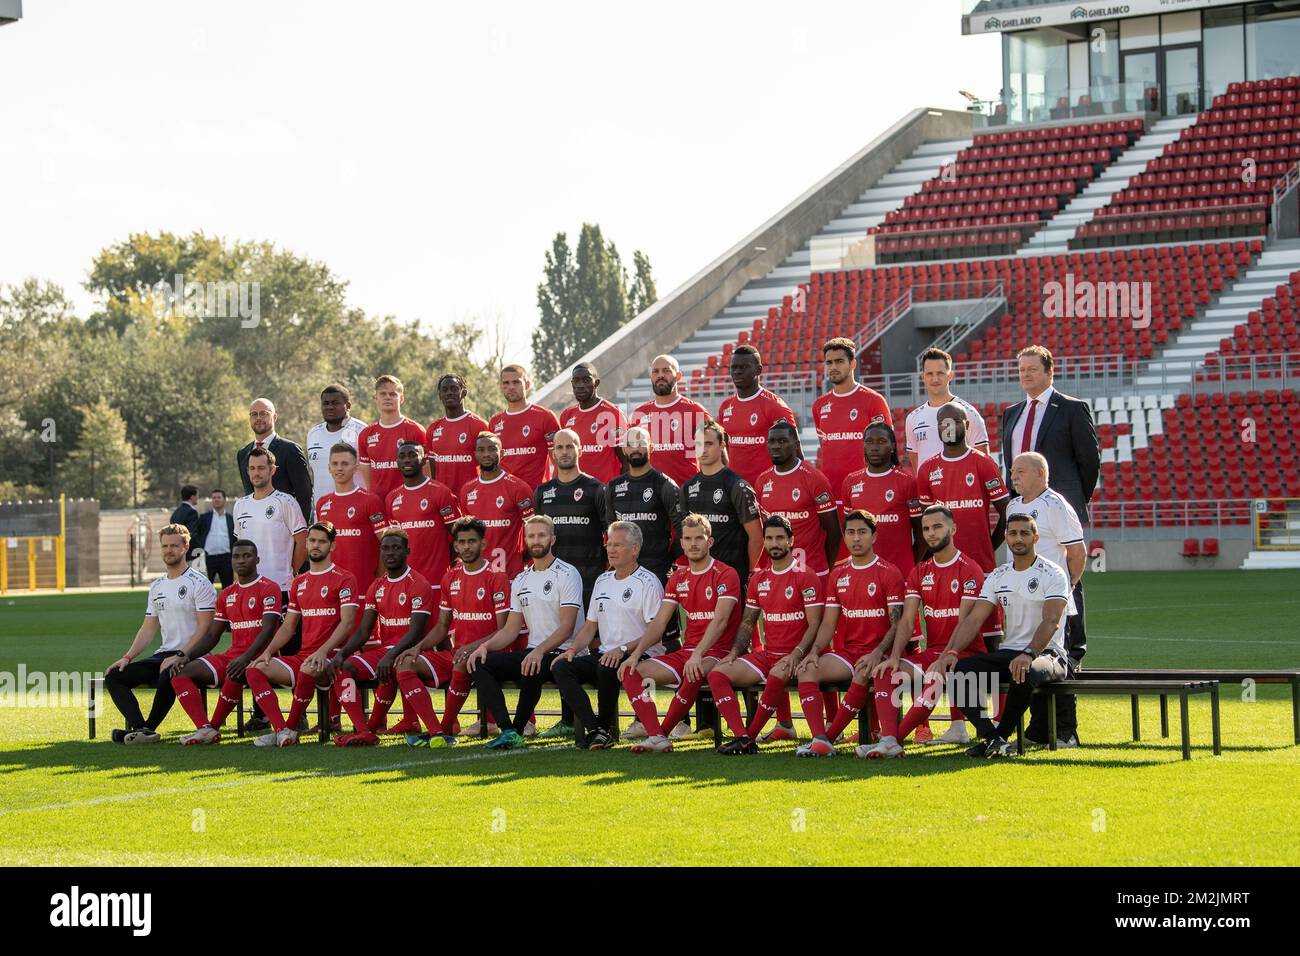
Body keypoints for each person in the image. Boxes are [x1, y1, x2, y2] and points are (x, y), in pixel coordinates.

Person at [937, 513, 1073, 759]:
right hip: (1011, 652)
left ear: (1036, 537)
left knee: (1024, 669)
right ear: (1006, 537)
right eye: (1013, 533)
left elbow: (1051, 621)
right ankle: (994, 739)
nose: (1018, 538)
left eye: (1024, 533)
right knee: (959, 671)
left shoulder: (1053, 573)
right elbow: (975, 619)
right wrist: (952, 653)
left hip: (1049, 654)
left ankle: (998, 737)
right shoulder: (999, 576)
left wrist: (1030, 653)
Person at [854, 506, 987, 757]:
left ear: (953, 529)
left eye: (938, 527)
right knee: (884, 670)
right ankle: (890, 740)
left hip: (964, 654)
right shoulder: (920, 571)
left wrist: (946, 655)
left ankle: (892, 741)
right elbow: (906, 620)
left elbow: (966, 622)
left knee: (936, 677)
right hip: (934, 653)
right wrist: (893, 656)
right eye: (926, 529)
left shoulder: (970, 569)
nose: (931, 534)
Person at [617, 513, 742, 753]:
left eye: (699, 538)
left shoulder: (726, 574)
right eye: (688, 539)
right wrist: (636, 653)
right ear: (682, 543)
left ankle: (660, 734)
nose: (693, 544)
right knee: (631, 672)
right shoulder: (678, 578)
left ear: (710, 542)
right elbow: (659, 623)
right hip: (688, 653)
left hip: (717, 653)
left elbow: (721, 620)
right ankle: (656, 735)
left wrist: (698, 654)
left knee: (695, 671)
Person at [706, 515, 824, 755]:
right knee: (718, 673)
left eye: (780, 537)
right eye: (769, 538)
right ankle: (741, 735)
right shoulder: (759, 578)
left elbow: (815, 624)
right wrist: (734, 653)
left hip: (797, 656)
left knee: (777, 673)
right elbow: (748, 622)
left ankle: (748, 739)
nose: (774, 543)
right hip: (768, 655)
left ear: (791, 540)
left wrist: (796, 654)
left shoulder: (805, 574)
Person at [790, 510, 905, 757]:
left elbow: (898, 624)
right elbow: (828, 624)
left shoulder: (889, 572)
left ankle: (828, 740)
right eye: (851, 533)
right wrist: (814, 652)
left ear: (874, 536)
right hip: (849, 653)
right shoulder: (838, 574)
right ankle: (820, 738)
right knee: (807, 669)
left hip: (881, 653)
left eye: (862, 532)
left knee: (867, 670)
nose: (856, 538)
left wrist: (877, 653)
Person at [466, 515, 585, 750]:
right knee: (480, 663)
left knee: (532, 665)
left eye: (541, 535)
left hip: (565, 655)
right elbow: (511, 629)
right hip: (536, 652)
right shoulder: (521, 579)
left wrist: (539, 651)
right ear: (525, 540)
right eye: (531, 536)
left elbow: (567, 627)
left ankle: (518, 729)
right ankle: (507, 729)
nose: (536, 540)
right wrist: (484, 647)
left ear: (552, 538)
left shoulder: (567, 573)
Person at [387, 517, 512, 740]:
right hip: (457, 654)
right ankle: (435, 730)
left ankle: (444, 729)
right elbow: (442, 626)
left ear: (483, 544)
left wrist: (474, 647)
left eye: (472, 541)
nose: (466, 547)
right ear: (455, 546)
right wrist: (418, 647)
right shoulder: (450, 577)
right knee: (405, 662)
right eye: (461, 542)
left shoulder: (497, 578)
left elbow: (503, 630)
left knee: (463, 660)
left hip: (489, 654)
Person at [243, 521, 360, 747]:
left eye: (322, 542)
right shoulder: (299, 582)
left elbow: (347, 623)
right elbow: (288, 627)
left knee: (308, 666)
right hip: (304, 656)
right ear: (306, 543)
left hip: (332, 655)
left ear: (332, 546)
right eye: (312, 541)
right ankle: (282, 730)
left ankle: (290, 728)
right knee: (255, 670)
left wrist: (323, 651)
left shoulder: (345, 578)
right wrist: (266, 652)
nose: (316, 546)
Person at [552, 522, 664, 750]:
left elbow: (655, 633)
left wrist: (622, 649)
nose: (611, 549)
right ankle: (596, 729)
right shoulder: (603, 580)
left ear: (635, 549)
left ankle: (606, 727)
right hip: (607, 653)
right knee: (562, 667)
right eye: (609, 544)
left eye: (618, 545)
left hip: (640, 654)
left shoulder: (648, 582)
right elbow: (590, 627)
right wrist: (572, 650)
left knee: (606, 666)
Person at [103, 524, 216, 744]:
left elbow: (206, 629)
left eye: (174, 545)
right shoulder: (157, 586)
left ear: (185, 547)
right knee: (114, 676)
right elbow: (147, 628)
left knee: (169, 673)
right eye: (165, 546)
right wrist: (127, 657)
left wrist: (181, 655)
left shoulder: (200, 583)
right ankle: (141, 729)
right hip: (164, 654)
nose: (169, 550)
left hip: (193, 655)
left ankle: (147, 730)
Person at [328, 528, 438, 747]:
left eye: (396, 548)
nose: (390, 553)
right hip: (385, 651)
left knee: (392, 666)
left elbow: (416, 632)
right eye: (385, 548)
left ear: (407, 551)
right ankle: (364, 730)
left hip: (411, 651)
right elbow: (363, 631)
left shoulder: (419, 583)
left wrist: (391, 655)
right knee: (342, 667)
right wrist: (342, 653)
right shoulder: (377, 585)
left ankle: (425, 728)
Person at [1007, 451, 1087, 749]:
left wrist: (1066, 589)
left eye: (1021, 471)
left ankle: (1066, 732)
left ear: (1041, 474)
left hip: (1051, 603)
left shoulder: (1056, 505)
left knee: (1058, 664)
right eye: (1013, 471)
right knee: (1032, 664)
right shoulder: (1014, 506)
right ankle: (1039, 731)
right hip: (1021, 602)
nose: (1014, 476)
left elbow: (1077, 552)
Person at [168, 539, 284, 744]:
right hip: (233, 656)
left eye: (246, 556)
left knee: (236, 672)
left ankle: (216, 727)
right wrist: (186, 656)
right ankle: (205, 729)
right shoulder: (227, 594)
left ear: (257, 559)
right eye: (236, 556)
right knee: (180, 673)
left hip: (260, 657)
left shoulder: (269, 588)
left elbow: (269, 630)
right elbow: (213, 635)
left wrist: (246, 657)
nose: (241, 561)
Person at [1000, 344, 1100, 524]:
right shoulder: (1011, 413)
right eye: (1022, 370)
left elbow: (1090, 461)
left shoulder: (1073, 409)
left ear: (1050, 372)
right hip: (1020, 508)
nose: (1025, 374)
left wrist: (1075, 498)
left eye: (1032, 369)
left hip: (1060, 508)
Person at [915, 403, 1009, 574]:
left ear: (966, 425)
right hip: (943, 567)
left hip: (981, 566)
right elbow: (925, 524)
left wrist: (988, 545)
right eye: (943, 422)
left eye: (955, 421)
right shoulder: (927, 469)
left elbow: (1007, 512)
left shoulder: (984, 463)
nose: (948, 426)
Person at [680, 420, 763, 598]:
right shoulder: (688, 487)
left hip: (733, 576)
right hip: (701, 576)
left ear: (722, 445)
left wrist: (744, 572)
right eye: (699, 445)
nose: (703, 450)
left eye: (708, 444)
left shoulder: (736, 485)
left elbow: (757, 537)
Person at [754, 421, 840, 578]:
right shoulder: (763, 481)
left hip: (813, 571)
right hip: (777, 573)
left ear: (796, 444)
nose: (776, 446)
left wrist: (824, 568)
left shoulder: (814, 479)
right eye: (772, 441)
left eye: (782, 441)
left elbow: (834, 533)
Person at [840, 423, 924, 580]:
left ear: (892, 446)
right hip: (863, 573)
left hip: (901, 573)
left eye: (881, 441)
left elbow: (921, 533)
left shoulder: (908, 481)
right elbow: (848, 531)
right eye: (869, 441)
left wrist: (908, 563)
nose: (874, 447)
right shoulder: (850, 482)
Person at [812, 337, 890, 502]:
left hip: (867, 489)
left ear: (853, 364)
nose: (833, 367)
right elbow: (824, 445)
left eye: (839, 361)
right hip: (832, 490)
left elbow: (887, 448)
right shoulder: (819, 405)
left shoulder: (873, 400)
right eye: (829, 362)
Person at [605, 425, 684, 586]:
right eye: (630, 444)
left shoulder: (665, 485)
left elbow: (683, 529)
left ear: (651, 447)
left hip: (656, 571)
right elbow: (611, 530)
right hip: (623, 571)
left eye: (640, 443)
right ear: (624, 450)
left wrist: (666, 558)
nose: (635, 448)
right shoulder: (613, 486)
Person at [385, 441, 460, 600]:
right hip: (404, 581)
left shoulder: (441, 492)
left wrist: (449, 562)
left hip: (436, 581)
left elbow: (457, 535)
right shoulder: (392, 498)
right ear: (397, 461)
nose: (407, 460)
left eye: (412, 455)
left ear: (424, 459)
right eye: (402, 456)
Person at [232, 447, 308, 602]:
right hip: (248, 585)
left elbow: (303, 541)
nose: (256, 473)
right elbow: (239, 546)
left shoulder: (286, 501)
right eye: (252, 468)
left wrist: (291, 570)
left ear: (272, 470)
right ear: (247, 471)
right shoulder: (240, 505)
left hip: (279, 586)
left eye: (261, 468)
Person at [716, 344, 797, 486]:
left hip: (768, 488)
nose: (737, 372)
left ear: (758, 370)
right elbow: (723, 446)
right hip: (735, 489)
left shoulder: (774, 405)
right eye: (734, 367)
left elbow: (795, 452)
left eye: (744, 367)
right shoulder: (725, 407)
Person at [459, 432, 536, 579]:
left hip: (512, 576)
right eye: (481, 450)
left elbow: (533, 533)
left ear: (501, 453)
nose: (487, 454)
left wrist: (519, 559)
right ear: (475, 454)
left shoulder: (519, 488)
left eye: (492, 449)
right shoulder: (467, 490)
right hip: (479, 576)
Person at [628, 354, 710, 486]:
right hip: (649, 494)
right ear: (651, 377)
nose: (660, 375)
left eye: (666, 371)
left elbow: (716, 453)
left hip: (687, 492)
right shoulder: (639, 414)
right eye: (655, 371)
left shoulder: (695, 411)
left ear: (678, 376)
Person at [905, 347, 990, 473]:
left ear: (950, 375)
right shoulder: (912, 418)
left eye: (940, 373)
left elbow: (983, 460)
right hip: (929, 491)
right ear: (923, 377)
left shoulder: (968, 413)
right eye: (930, 374)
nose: (935, 379)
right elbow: (916, 461)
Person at [314, 443, 388, 588]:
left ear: (355, 468)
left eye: (345, 464)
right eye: (335, 464)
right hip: (331, 586)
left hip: (364, 585)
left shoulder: (370, 500)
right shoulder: (322, 503)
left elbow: (385, 543)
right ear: (329, 467)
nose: (339, 468)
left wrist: (379, 578)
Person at [237, 398, 313, 523]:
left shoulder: (290, 449)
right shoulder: (243, 453)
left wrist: (300, 532)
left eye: (264, 413)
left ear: (275, 417)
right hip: (255, 526)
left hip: (284, 525)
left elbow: (304, 495)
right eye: (254, 414)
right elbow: (248, 493)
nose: (258, 418)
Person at [357, 374, 429, 501]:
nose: (387, 398)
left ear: (401, 398)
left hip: (409, 500)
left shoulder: (416, 430)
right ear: (375, 398)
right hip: (378, 503)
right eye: (383, 394)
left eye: (393, 394)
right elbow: (368, 477)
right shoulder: (366, 434)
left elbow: (426, 471)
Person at [489, 363, 561, 489]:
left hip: (536, 494)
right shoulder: (495, 422)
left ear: (527, 384)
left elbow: (559, 460)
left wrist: (552, 490)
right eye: (506, 383)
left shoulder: (545, 416)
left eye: (516, 382)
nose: (511, 387)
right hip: (503, 496)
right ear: (501, 386)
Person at [560, 361, 627, 483]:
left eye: (586, 380)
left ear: (596, 383)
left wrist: (616, 491)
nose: (580, 385)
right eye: (576, 381)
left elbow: (626, 460)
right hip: (575, 491)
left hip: (604, 492)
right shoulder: (567, 415)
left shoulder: (613, 413)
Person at [305, 383, 368, 513]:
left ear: (348, 406)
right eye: (326, 403)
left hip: (355, 511)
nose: (330, 407)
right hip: (322, 513)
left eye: (335, 403)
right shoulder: (313, 434)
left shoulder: (363, 431)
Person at [426, 373, 490, 492]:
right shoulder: (433, 429)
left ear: (464, 392)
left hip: (473, 495)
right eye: (444, 390)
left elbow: (490, 463)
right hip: (443, 498)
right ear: (440, 395)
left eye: (454, 389)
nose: (449, 392)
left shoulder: (479, 425)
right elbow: (432, 465)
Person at [191, 489, 236, 589]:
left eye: (219, 497)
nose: (216, 500)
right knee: (204, 588)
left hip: (226, 559)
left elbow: (235, 538)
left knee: (228, 589)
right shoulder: (204, 518)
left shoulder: (231, 519)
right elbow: (196, 534)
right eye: (214, 498)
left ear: (224, 500)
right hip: (208, 558)